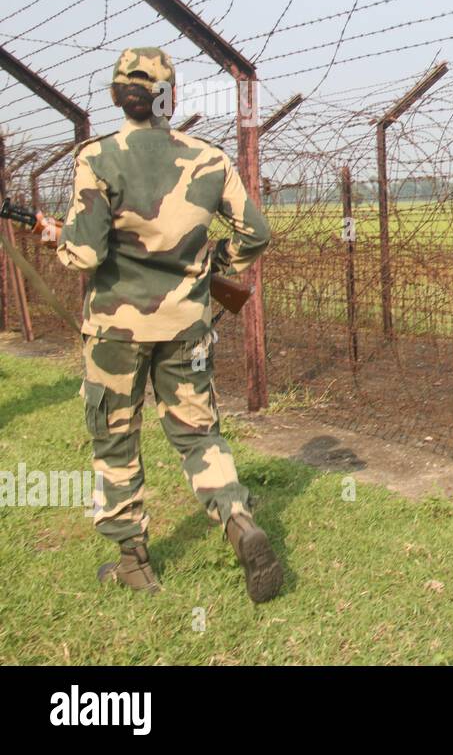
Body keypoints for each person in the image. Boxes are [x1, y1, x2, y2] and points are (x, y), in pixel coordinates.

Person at [49, 48, 282, 603]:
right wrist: (209, 269)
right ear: (168, 98)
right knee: (198, 433)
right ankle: (239, 522)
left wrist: (59, 240)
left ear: (116, 95)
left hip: (114, 332)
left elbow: (82, 255)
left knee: (115, 439)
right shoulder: (208, 158)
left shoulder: (97, 158)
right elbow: (257, 234)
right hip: (187, 326)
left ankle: (133, 563)